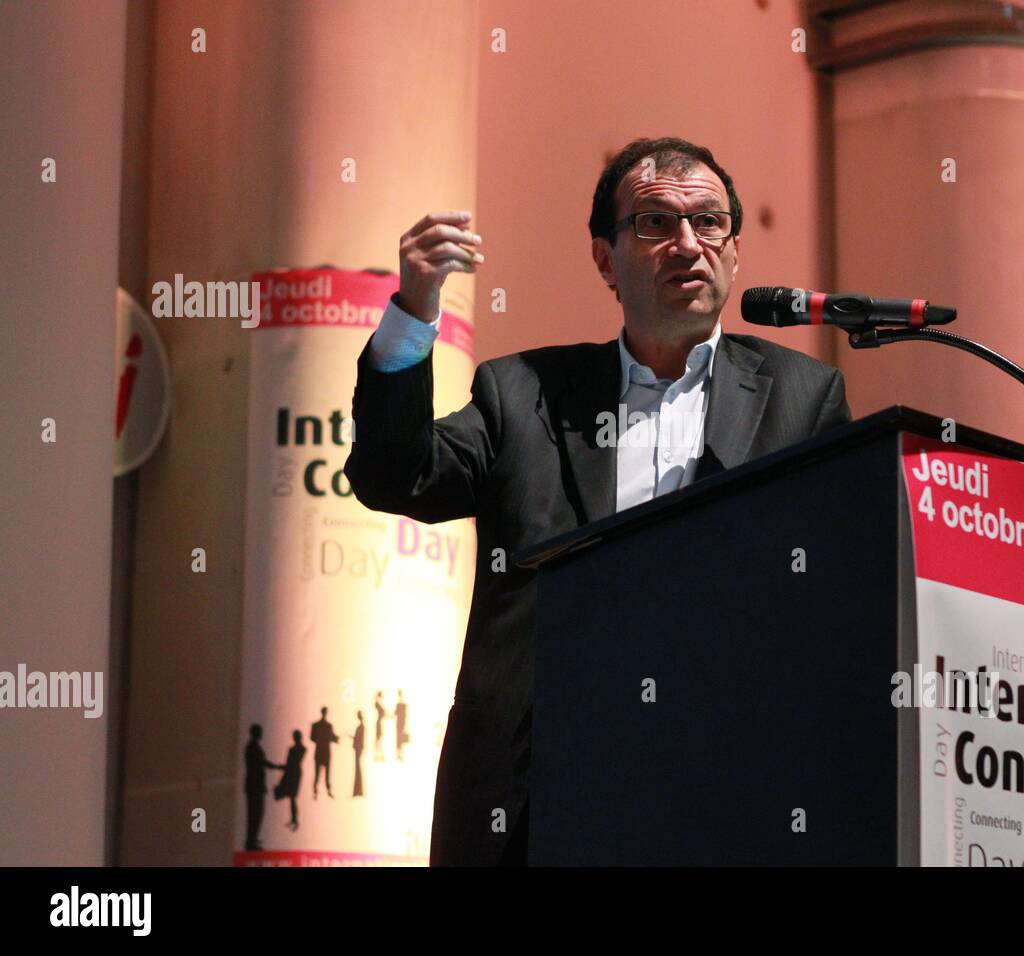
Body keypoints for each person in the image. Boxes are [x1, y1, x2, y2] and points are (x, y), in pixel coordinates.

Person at [344, 137, 851, 866]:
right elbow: (395, 476)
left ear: (735, 251)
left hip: (726, 795)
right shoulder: (521, 396)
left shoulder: (801, 398)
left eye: (710, 222)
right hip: (535, 802)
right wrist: (413, 314)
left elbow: (831, 603)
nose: (688, 243)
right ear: (605, 260)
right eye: (654, 223)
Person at [242, 723, 284, 851]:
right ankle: (251, 842)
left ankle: (252, 840)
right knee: (255, 814)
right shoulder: (253, 748)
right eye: (260, 732)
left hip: (255, 785)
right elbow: (262, 763)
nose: (261, 734)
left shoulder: (253, 747)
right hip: (255, 786)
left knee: (255, 814)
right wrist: (277, 767)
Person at [272, 730, 307, 831]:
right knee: (292, 798)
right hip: (294, 772)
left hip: (293, 773)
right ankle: (294, 819)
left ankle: (294, 820)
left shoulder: (296, 749)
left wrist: (281, 767)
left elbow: (290, 762)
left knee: (292, 797)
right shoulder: (301, 749)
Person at [310, 706, 339, 799]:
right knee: (324, 774)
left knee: (318, 774)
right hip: (325, 752)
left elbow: (312, 738)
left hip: (320, 752)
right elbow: (332, 738)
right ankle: (326, 791)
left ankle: (316, 791)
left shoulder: (316, 725)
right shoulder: (328, 726)